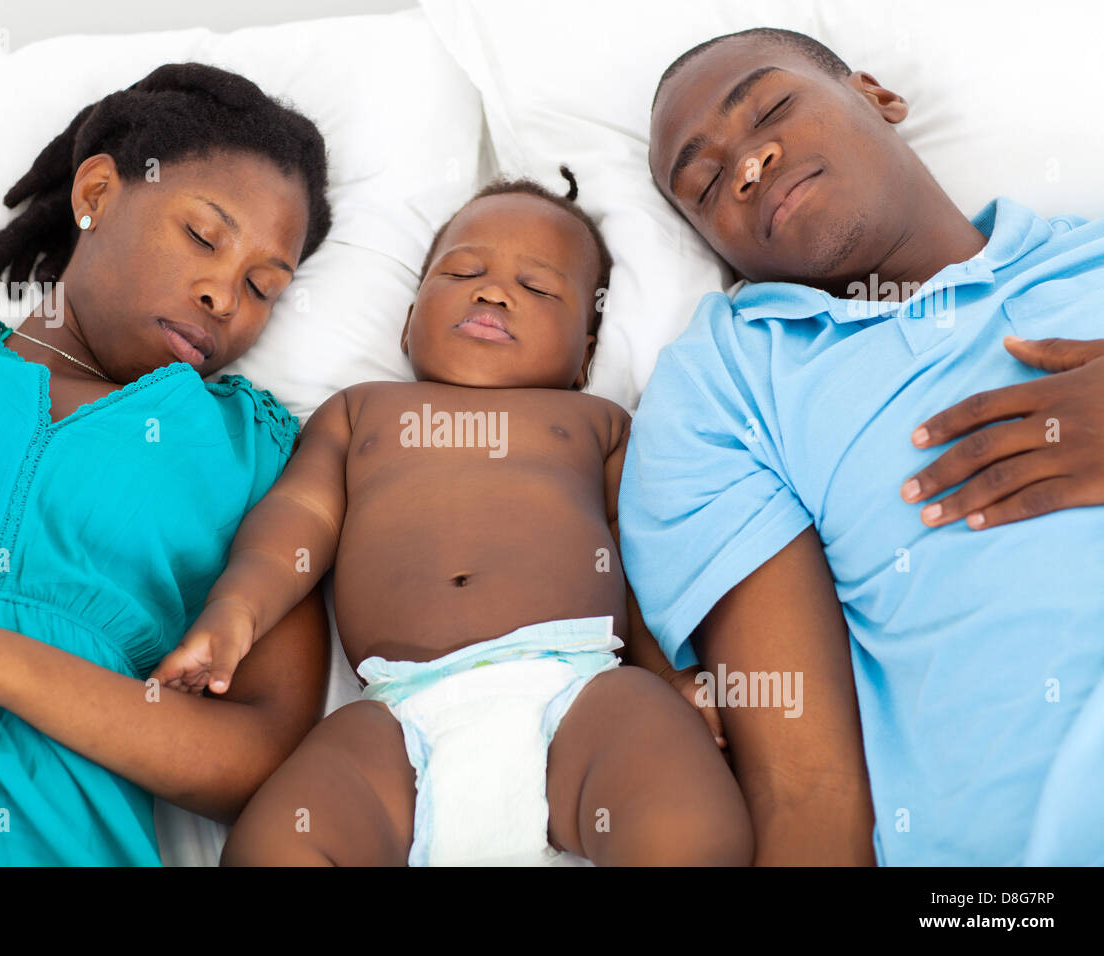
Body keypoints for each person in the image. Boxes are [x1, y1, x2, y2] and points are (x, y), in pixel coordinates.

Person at [0, 62, 332, 866]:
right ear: (96, 195)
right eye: (203, 237)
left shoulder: (258, 456)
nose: (225, 296)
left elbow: (259, 755)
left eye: (264, 287)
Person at [152, 172, 749, 866]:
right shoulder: (362, 411)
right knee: (273, 843)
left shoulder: (597, 425)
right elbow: (296, 524)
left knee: (685, 815)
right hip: (399, 721)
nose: (492, 291)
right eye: (462, 270)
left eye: (539, 288)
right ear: (408, 323)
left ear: (585, 354)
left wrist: (673, 679)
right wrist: (234, 616)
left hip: (578, 691)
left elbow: (637, 561)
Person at [624, 26, 1104, 865]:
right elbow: (809, 800)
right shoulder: (729, 382)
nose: (746, 165)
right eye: (704, 185)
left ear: (877, 97)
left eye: (771, 107)